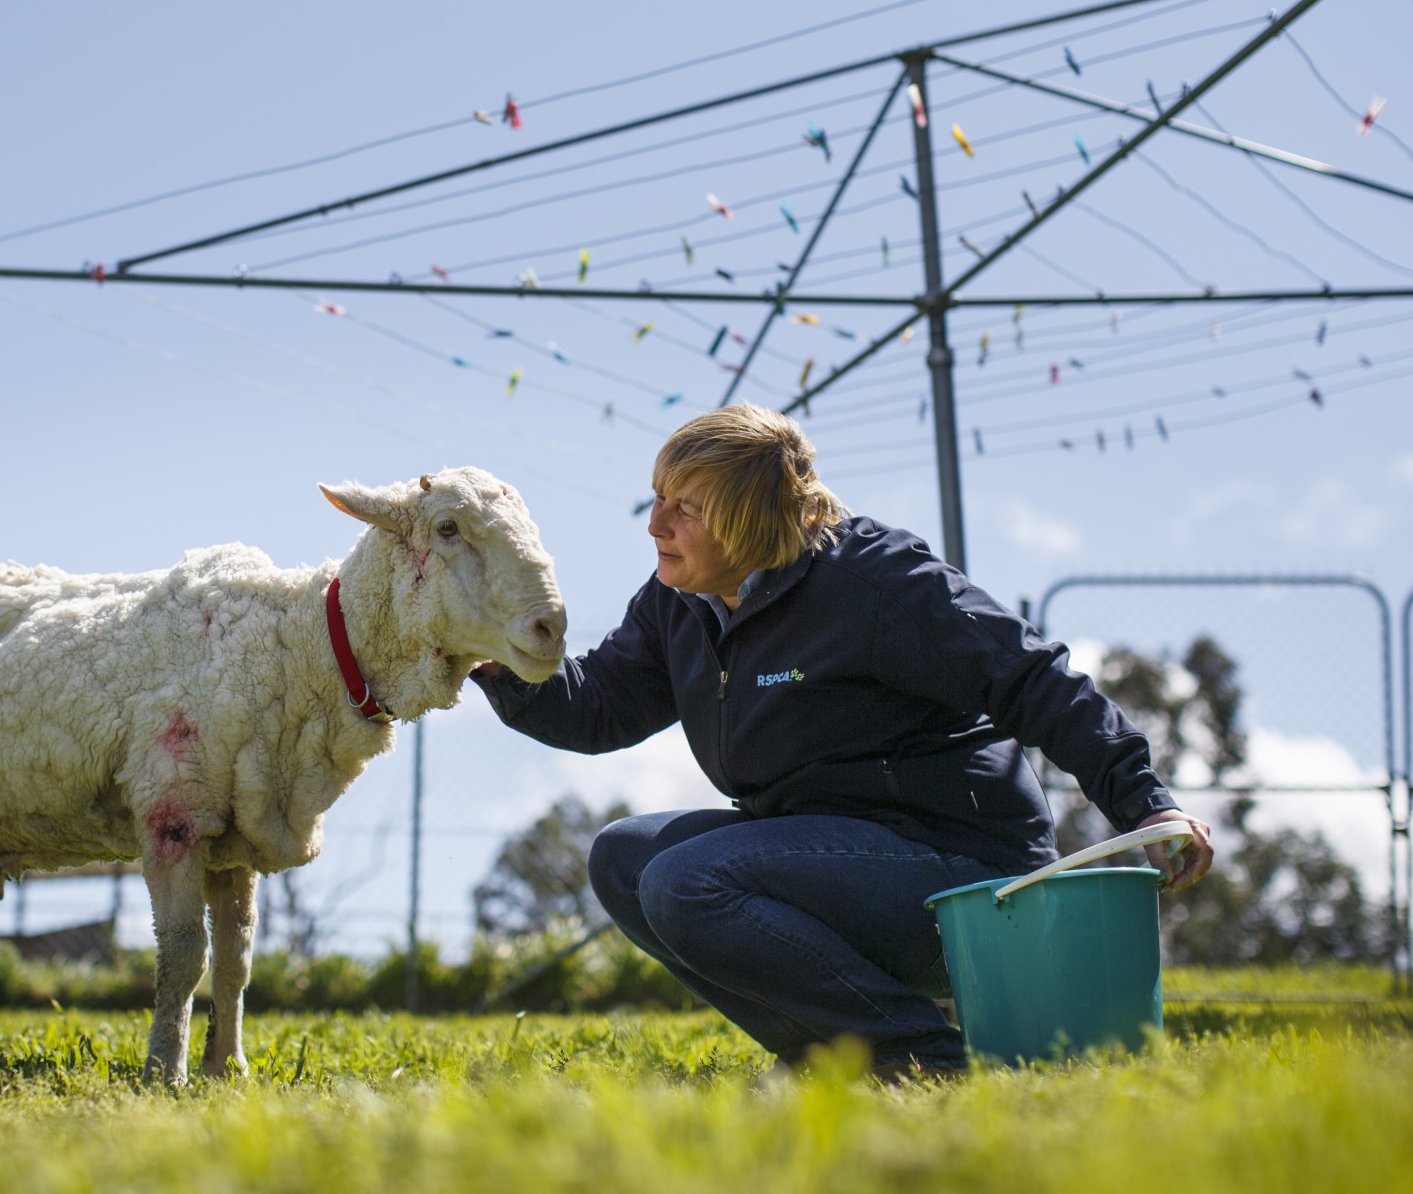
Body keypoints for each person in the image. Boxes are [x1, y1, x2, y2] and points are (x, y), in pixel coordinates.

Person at [471, 404, 1213, 1077]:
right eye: (659, 496)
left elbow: (1030, 678)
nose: (655, 522)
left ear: (745, 517)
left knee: (685, 880)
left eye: (684, 507)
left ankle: (919, 1056)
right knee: (625, 859)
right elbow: (597, 706)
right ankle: (829, 1055)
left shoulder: (877, 582)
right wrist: (486, 654)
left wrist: (1143, 803)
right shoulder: (680, 602)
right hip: (825, 857)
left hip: (964, 874)